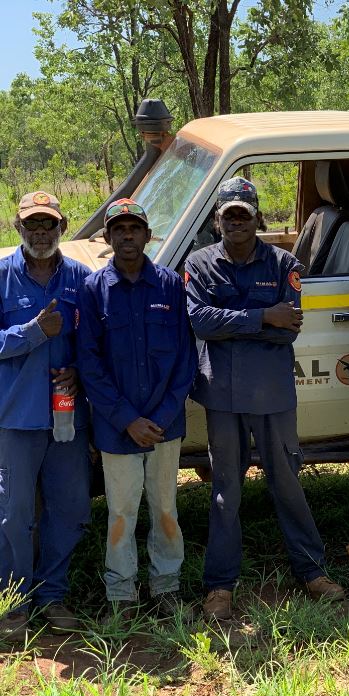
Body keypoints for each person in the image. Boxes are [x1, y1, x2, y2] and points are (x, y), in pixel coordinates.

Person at [185, 178, 344, 621]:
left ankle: (312, 572)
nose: (236, 221)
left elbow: (288, 328)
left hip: (272, 395)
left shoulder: (283, 263)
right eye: (228, 214)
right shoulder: (198, 265)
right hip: (222, 395)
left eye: (244, 214)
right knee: (225, 492)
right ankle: (220, 587)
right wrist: (260, 316)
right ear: (216, 221)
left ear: (258, 218)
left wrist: (237, 324)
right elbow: (199, 320)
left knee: (288, 482)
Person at [77, 199, 197, 620]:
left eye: (135, 228)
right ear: (108, 238)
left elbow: (186, 359)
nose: (127, 236)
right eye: (119, 230)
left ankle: (166, 588)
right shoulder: (93, 291)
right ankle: (122, 596)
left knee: (165, 508)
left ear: (148, 235)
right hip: (117, 428)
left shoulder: (169, 285)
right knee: (121, 512)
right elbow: (89, 364)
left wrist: (160, 418)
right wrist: (128, 420)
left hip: (165, 425)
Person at [0, 191, 91, 633]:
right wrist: (33, 332)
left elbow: (97, 344)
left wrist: (81, 374)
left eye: (48, 224)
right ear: (18, 228)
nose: (40, 232)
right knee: (15, 512)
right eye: (32, 225)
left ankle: (53, 596)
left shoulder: (80, 278)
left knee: (70, 506)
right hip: (16, 416)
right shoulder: (1, 277)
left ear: (63, 227)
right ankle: (14, 604)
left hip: (68, 415)